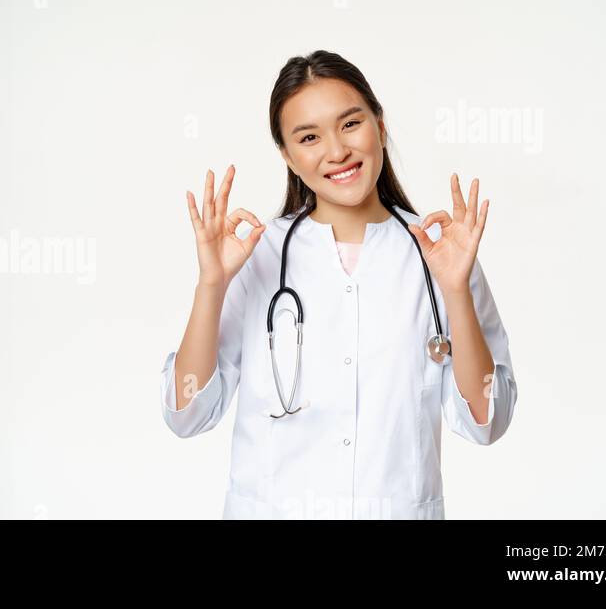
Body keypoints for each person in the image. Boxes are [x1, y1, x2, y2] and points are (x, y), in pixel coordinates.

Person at [160, 50, 518, 519]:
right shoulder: (255, 254)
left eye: (350, 124)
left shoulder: (443, 255)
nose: (336, 151)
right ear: (288, 156)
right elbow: (188, 414)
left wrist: (455, 290)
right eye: (309, 137)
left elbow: (486, 421)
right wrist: (211, 284)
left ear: (380, 126)